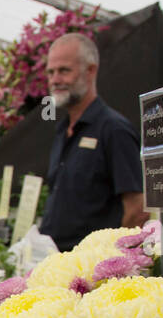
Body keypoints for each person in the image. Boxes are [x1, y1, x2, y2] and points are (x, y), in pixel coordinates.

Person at [38, 32, 147, 252]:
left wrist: (104, 261)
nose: (55, 80)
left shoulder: (114, 130)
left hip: (89, 272)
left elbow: (137, 210)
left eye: (64, 70)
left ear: (91, 70)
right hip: (56, 264)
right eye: (51, 72)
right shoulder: (63, 130)